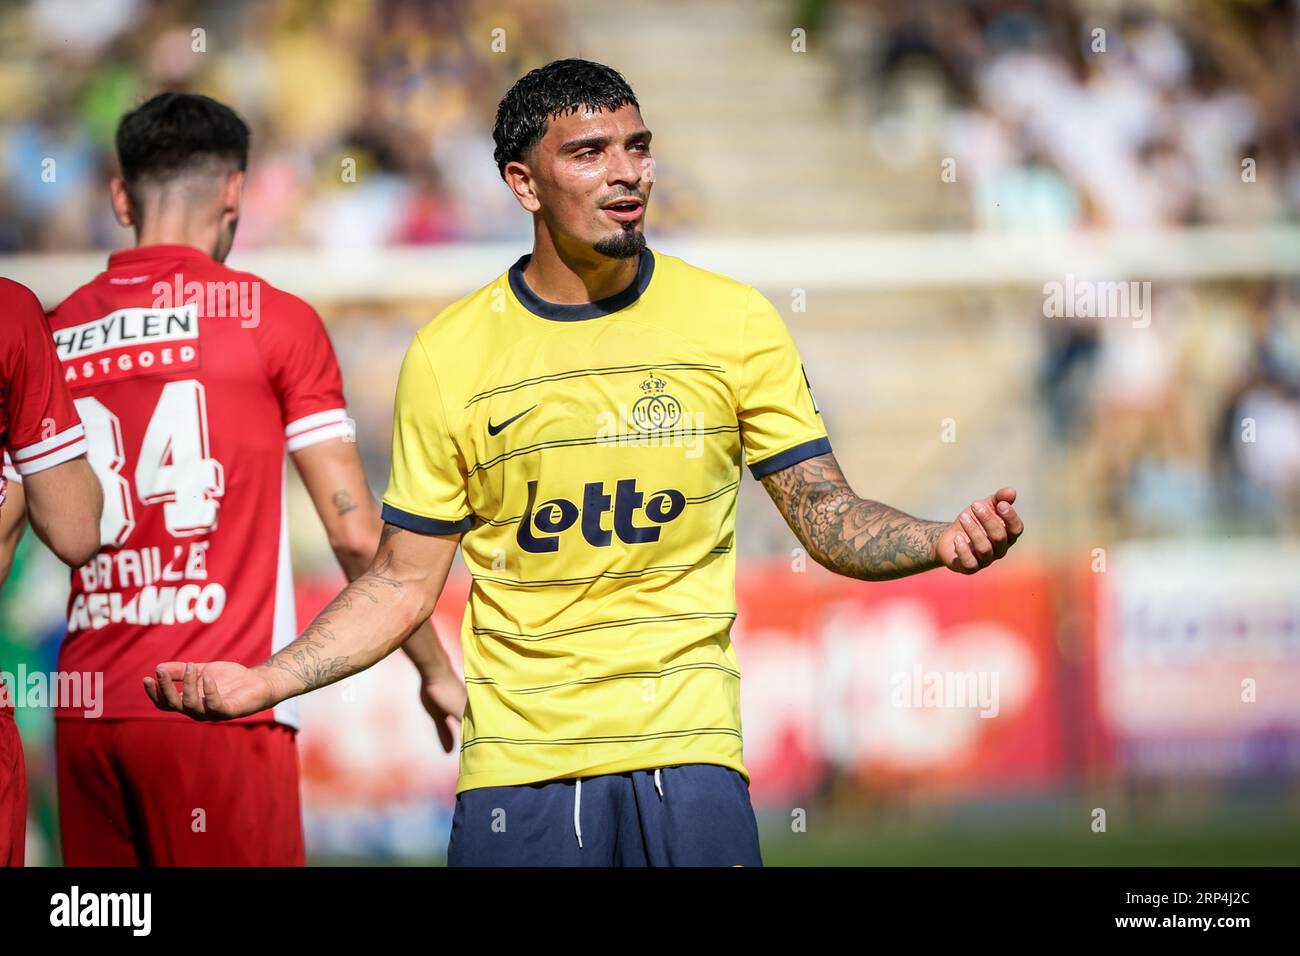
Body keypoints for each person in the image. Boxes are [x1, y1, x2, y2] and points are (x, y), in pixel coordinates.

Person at [147, 60, 1023, 867]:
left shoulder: (734, 323)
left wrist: (937, 540)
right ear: (523, 183)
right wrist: (268, 679)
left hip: (689, 756)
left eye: (637, 148)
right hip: (519, 771)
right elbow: (401, 584)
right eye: (590, 153)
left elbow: (827, 515)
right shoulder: (451, 355)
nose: (626, 173)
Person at [45, 92, 463, 865]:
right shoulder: (272, 320)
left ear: (121, 197)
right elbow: (353, 534)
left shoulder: (52, 332)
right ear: (235, 191)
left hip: (84, 712)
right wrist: (434, 669)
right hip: (218, 703)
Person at [0, 278, 103, 866]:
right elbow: (75, 532)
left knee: (43, 751)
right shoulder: (14, 318)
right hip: (17, 638)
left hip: (24, 636)